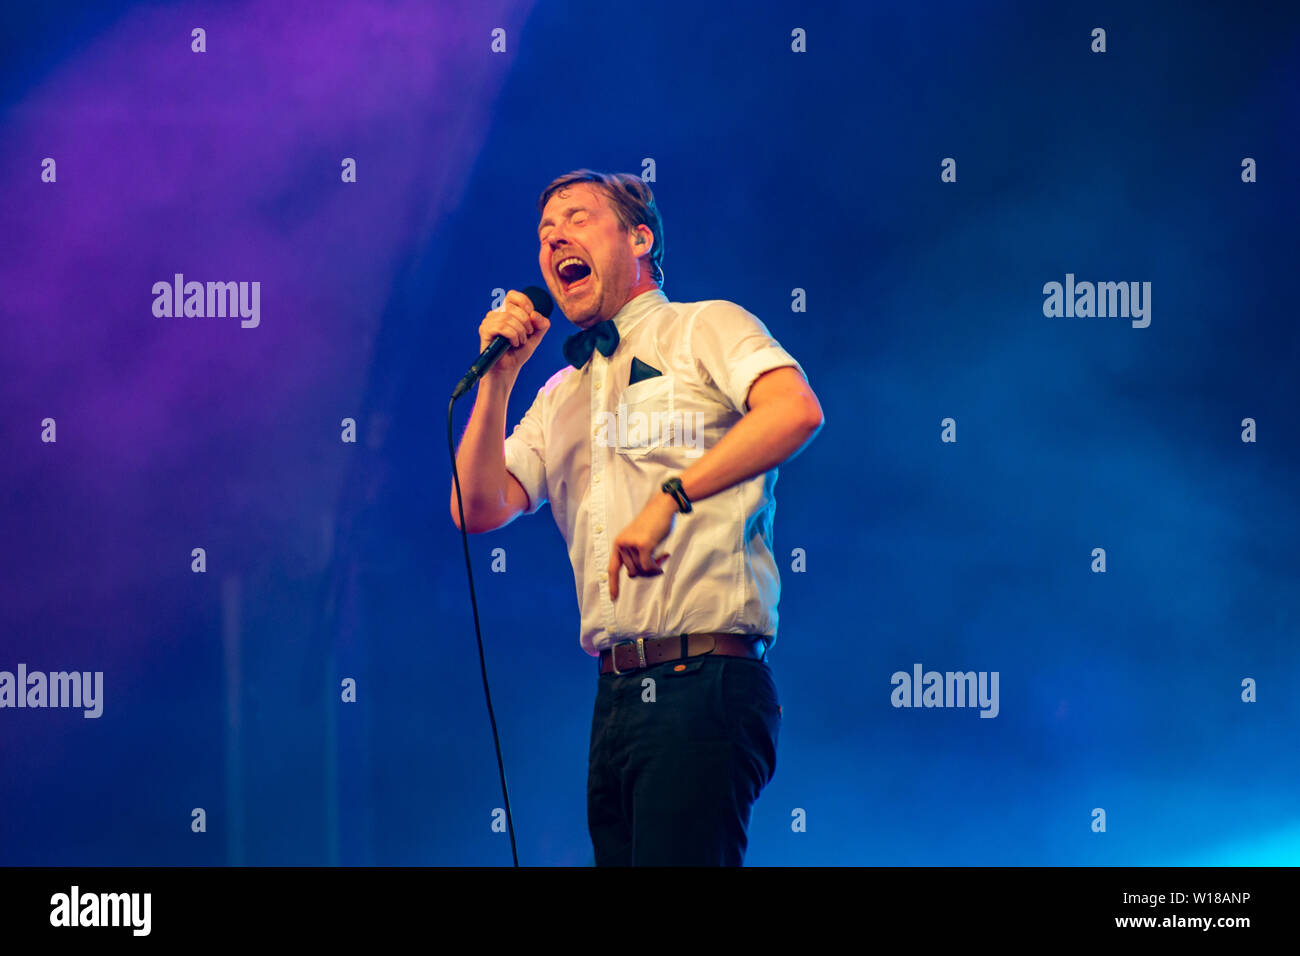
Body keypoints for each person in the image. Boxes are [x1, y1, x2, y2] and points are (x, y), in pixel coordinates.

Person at [450, 169, 824, 866]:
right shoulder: (561, 393)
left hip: (704, 678)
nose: (555, 235)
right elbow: (476, 507)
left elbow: (795, 410)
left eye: (577, 217)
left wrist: (672, 497)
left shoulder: (703, 326)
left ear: (640, 237)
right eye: (544, 231)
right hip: (616, 693)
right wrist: (498, 379)